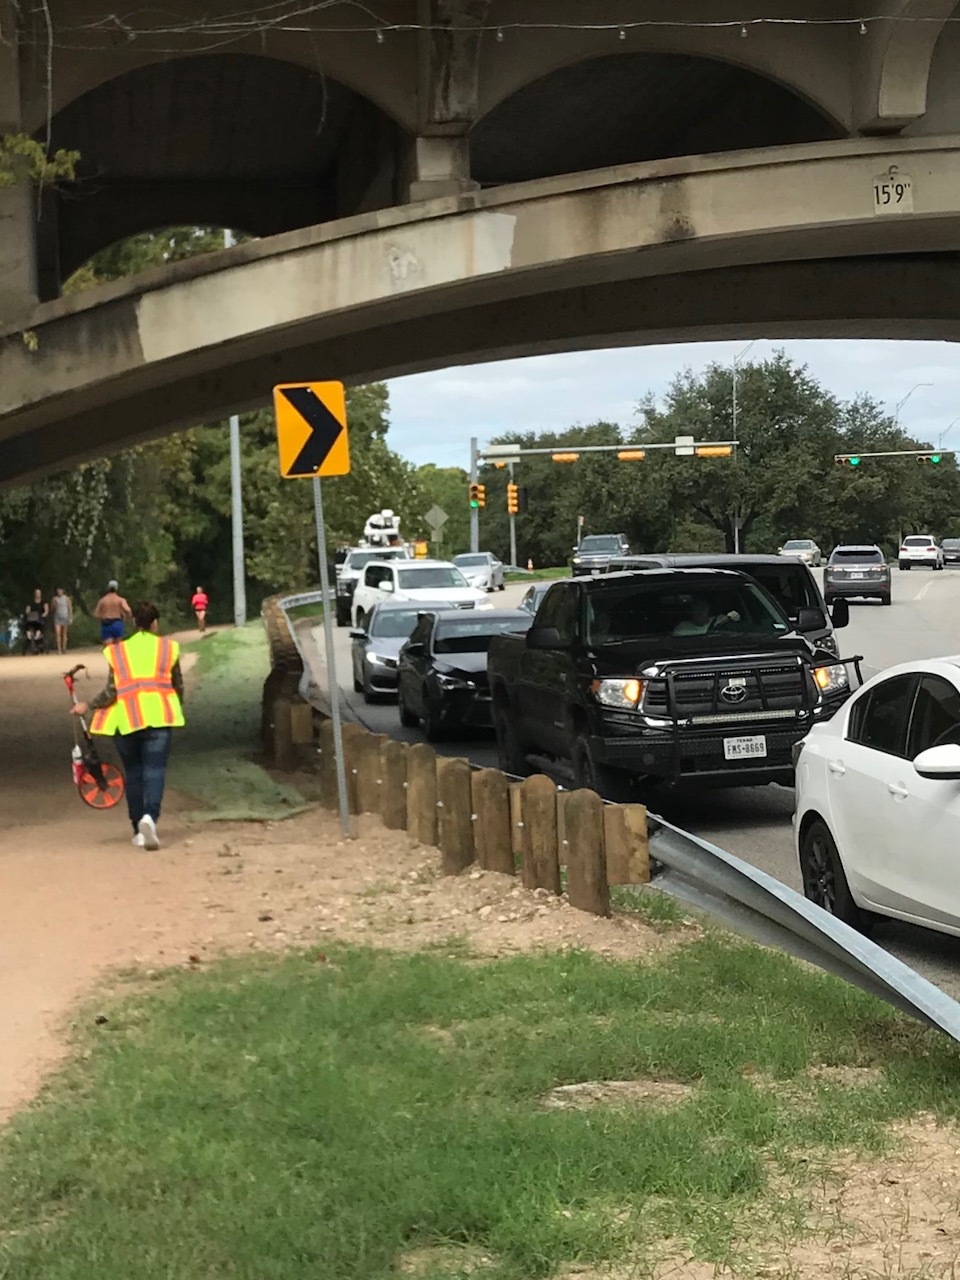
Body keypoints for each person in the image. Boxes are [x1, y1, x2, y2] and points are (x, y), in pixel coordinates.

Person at [70, 600, 185, 850]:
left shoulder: (119, 651)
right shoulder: (169, 648)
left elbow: (112, 691)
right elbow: (178, 686)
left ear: (134, 623)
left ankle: (138, 831)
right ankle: (150, 819)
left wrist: (88, 705)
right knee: (154, 772)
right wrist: (176, 709)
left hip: (126, 721)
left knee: (134, 774)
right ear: (155, 624)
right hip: (159, 719)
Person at [673, 596, 740, 636]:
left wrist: (733, 616)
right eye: (696, 606)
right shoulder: (681, 628)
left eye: (702, 606)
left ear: (708, 607)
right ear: (689, 611)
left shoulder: (721, 620)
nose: (700, 609)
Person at [93, 579, 132, 644]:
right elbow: (128, 610)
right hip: (117, 623)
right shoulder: (120, 600)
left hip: (106, 624)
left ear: (108, 588)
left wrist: (103, 616)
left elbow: (96, 614)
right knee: (118, 647)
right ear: (116, 588)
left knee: (108, 649)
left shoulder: (102, 600)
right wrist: (127, 617)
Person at [23, 588, 47, 654]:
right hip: (31, 620)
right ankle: (29, 647)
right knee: (29, 633)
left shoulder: (43, 602)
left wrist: (42, 615)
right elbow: (27, 611)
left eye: (39, 593)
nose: (38, 594)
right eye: (36, 593)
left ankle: (37, 646)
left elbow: (46, 611)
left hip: (39, 621)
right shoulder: (30, 603)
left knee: (38, 632)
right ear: (35, 594)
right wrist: (30, 614)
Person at [50, 586, 73, 655]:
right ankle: (59, 649)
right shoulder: (54, 599)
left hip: (65, 616)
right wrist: (54, 604)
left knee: (64, 634)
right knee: (58, 633)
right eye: (58, 590)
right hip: (57, 617)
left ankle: (64, 648)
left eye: (60, 590)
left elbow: (70, 608)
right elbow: (52, 609)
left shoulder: (66, 598)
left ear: (63, 591)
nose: (59, 592)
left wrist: (70, 617)